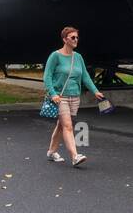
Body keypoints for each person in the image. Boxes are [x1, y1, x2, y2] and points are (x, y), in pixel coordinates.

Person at [44, 26, 104, 167]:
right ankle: (75, 156)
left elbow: (85, 77)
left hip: (75, 97)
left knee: (61, 126)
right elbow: (47, 77)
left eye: (77, 37)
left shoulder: (78, 57)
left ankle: (51, 152)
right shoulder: (55, 56)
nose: (76, 39)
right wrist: (53, 94)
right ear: (65, 39)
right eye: (72, 37)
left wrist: (95, 91)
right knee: (68, 126)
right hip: (60, 97)